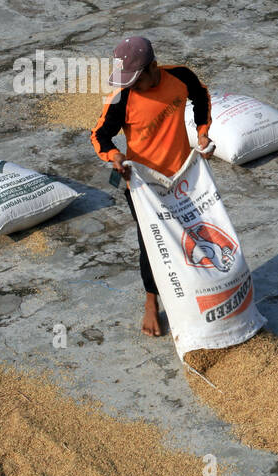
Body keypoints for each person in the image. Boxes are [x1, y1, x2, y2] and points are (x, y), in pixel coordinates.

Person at [90, 35, 213, 336]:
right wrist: (115, 155)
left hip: (184, 177)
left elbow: (201, 96)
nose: (129, 85)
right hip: (142, 184)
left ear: (153, 68)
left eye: (135, 79)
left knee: (195, 232)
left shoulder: (180, 77)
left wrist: (203, 133)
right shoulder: (121, 98)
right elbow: (99, 136)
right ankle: (151, 302)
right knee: (153, 241)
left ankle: (201, 292)